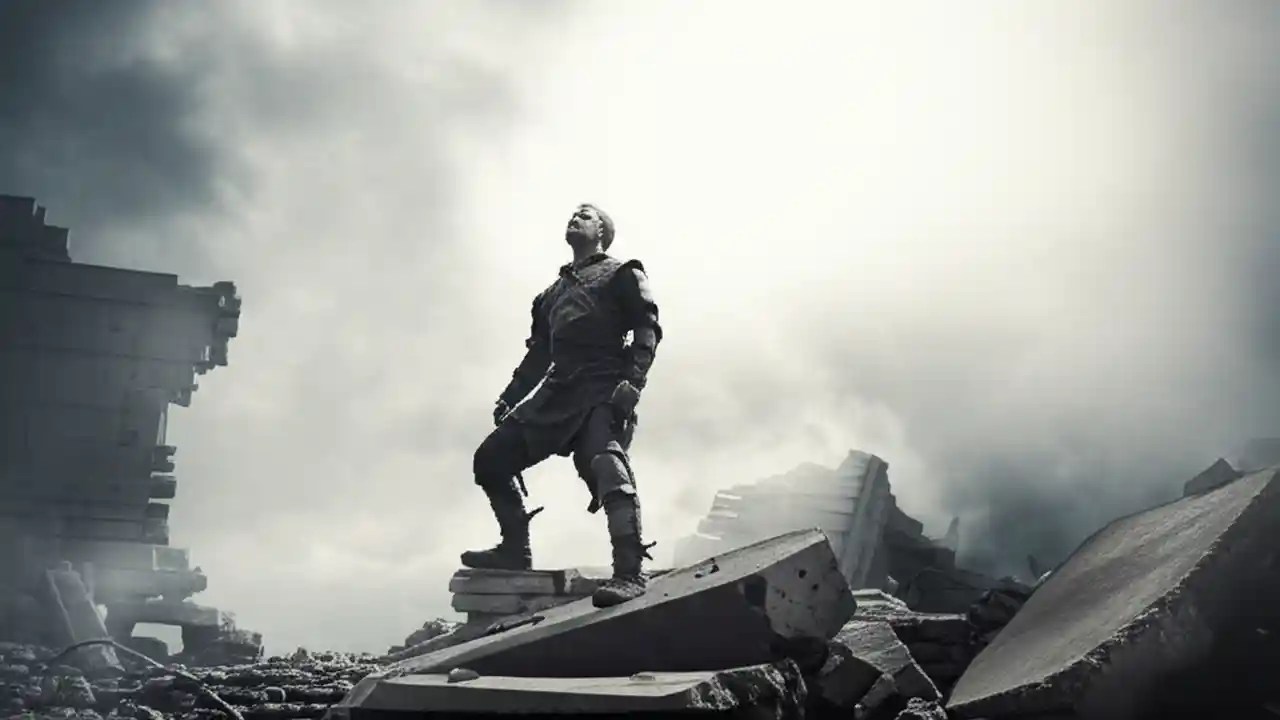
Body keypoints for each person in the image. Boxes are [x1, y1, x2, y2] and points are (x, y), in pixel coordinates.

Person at [461, 204, 662, 608]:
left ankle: (629, 572)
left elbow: (648, 327)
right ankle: (514, 549)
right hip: (556, 394)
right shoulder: (550, 296)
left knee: (605, 461)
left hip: (602, 386)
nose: (576, 218)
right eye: (572, 214)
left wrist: (633, 384)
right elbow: (539, 355)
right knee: (490, 459)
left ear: (603, 231)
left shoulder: (623, 274)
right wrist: (510, 397)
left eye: (586, 215)